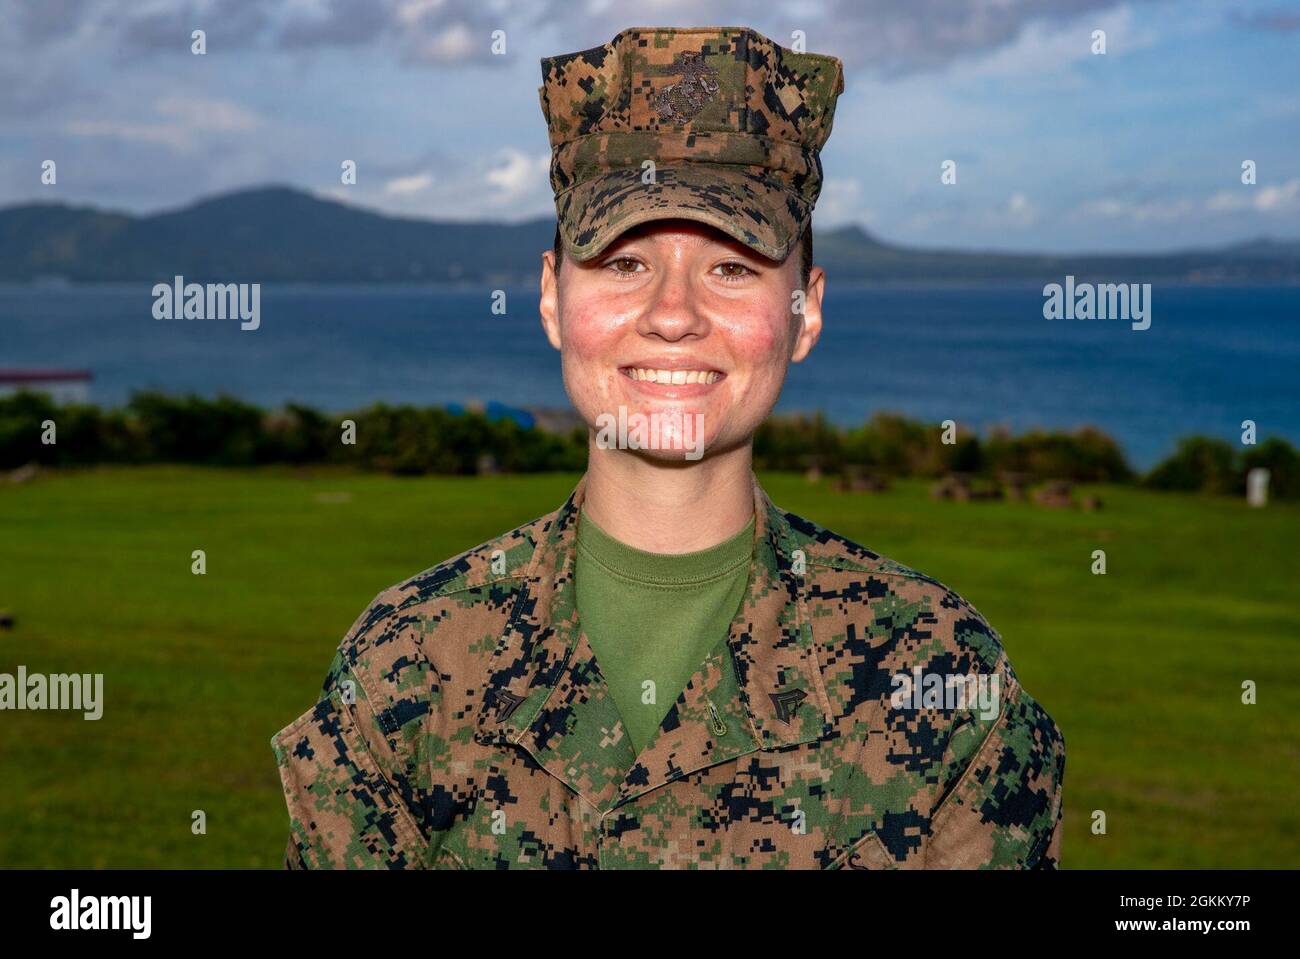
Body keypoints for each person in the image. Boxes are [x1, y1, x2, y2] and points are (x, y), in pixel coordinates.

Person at [271, 25, 1064, 870]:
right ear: (550, 297)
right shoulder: (408, 666)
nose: (674, 313)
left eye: (732, 267)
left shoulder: (939, 679)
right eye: (623, 263)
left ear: (807, 309)